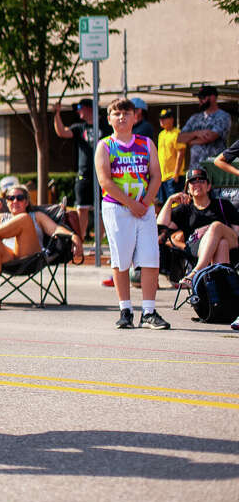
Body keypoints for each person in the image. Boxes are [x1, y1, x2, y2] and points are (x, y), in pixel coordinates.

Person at [93, 98, 169, 329]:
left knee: (150, 258)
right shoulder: (105, 145)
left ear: (135, 117)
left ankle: (148, 312)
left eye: (126, 113)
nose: (122, 117)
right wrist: (130, 204)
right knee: (121, 259)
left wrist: (145, 202)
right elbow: (105, 180)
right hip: (117, 209)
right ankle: (125, 309)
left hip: (144, 209)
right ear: (109, 119)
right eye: (116, 113)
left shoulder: (146, 143)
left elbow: (156, 175)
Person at [0, 184, 75, 310]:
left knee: (23, 219)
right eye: (11, 198)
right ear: (6, 202)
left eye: (20, 197)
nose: (15, 201)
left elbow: (56, 229)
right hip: (9, 258)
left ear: (26, 202)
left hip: (31, 257)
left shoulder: (36, 216)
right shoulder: (2, 218)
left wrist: (74, 237)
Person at [157, 167, 238, 285]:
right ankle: (217, 292)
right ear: (188, 188)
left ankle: (196, 272)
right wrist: (170, 200)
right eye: (193, 181)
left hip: (232, 243)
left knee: (216, 227)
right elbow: (161, 225)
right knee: (221, 244)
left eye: (201, 180)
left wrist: (215, 232)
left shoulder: (223, 204)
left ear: (209, 186)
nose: (197, 184)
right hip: (197, 247)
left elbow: (236, 234)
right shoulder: (185, 209)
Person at [53, 98, 98, 250]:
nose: (78, 111)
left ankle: (100, 241)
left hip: (101, 173)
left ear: (89, 108)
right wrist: (57, 114)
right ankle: (81, 240)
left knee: (103, 208)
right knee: (82, 208)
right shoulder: (80, 127)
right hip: (84, 174)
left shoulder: (105, 125)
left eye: (80, 107)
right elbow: (62, 132)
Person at [179, 85, 231, 172]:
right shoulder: (195, 118)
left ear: (213, 97)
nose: (200, 100)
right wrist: (196, 134)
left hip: (215, 169)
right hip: (195, 169)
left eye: (203, 97)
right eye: (199, 97)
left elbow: (210, 136)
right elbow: (180, 138)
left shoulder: (223, 116)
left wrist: (191, 140)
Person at [156, 108, 186, 204]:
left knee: (175, 204)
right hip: (163, 177)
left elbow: (181, 153)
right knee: (164, 204)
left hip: (174, 176)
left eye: (164, 118)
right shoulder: (161, 134)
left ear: (171, 119)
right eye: (161, 118)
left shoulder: (177, 133)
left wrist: (176, 174)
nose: (162, 120)